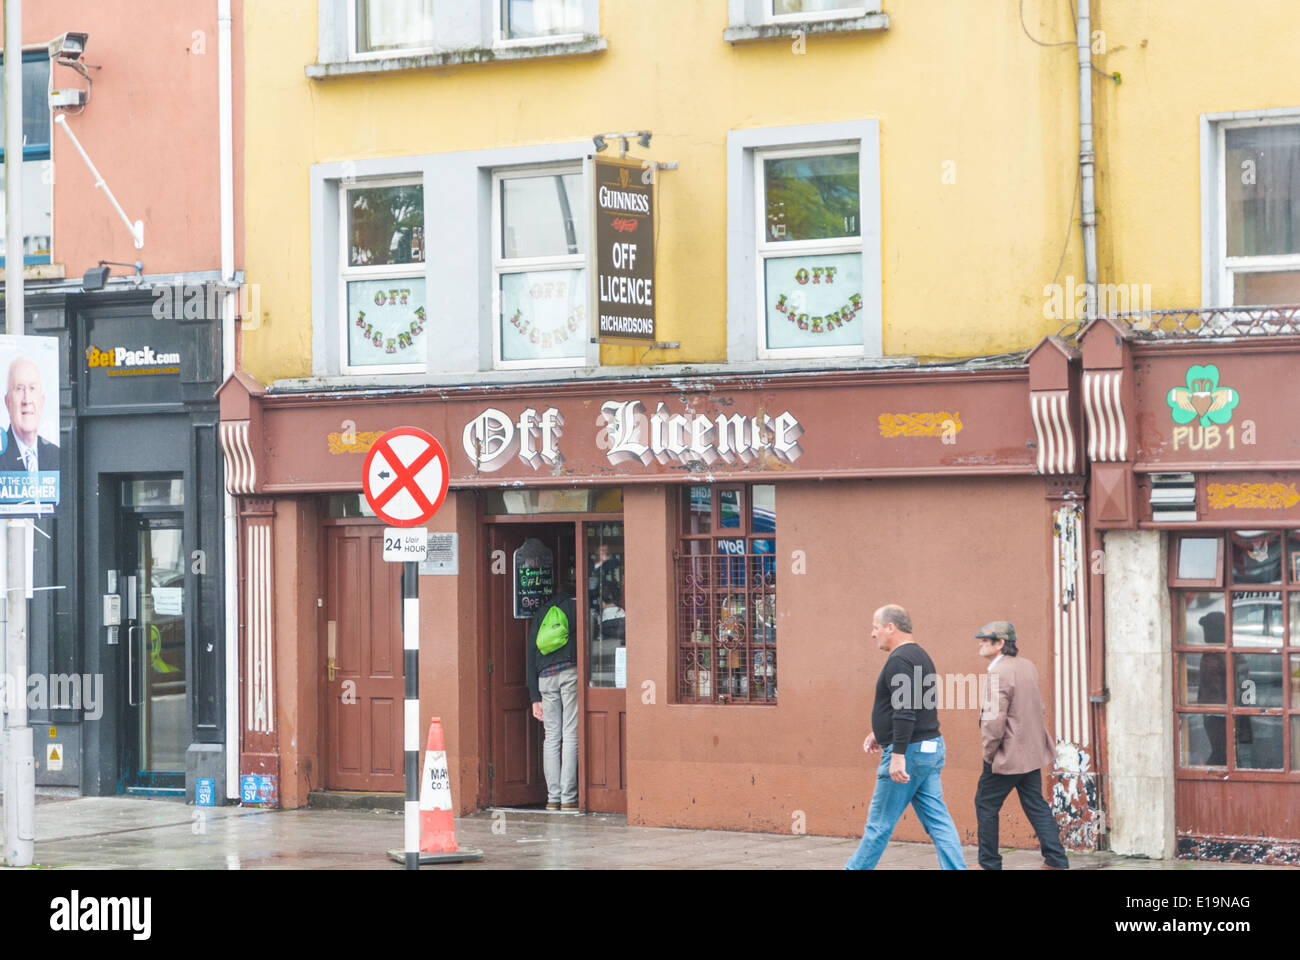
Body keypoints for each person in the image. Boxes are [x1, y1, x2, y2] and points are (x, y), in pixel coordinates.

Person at [845, 604, 967, 870]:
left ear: (891, 627)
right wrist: (881, 732)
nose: (872, 634)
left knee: (879, 824)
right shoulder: (921, 656)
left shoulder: (900, 660)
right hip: (929, 747)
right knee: (938, 822)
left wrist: (898, 754)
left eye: (875, 627)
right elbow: (913, 706)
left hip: (909, 752)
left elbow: (906, 709)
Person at [974, 621, 1069, 870]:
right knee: (1035, 804)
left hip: (1006, 755)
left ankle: (989, 864)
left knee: (985, 804)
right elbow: (1039, 708)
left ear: (1001, 643)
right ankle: (1057, 860)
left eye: (986, 639)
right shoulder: (1027, 666)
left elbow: (994, 721)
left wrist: (989, 753)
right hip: (1031, 753)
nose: (981, 643)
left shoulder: (998, 672)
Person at [526, 581, 579, 811]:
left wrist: (533, 696)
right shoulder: (576, 608)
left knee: (551, 737)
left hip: (544, 678)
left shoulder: (541, 612)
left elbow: (530, 653)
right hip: (569, 674)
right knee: (570, 733)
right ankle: (569, 798)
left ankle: (552, 798)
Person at [0, 354, 57, 472]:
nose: (27, 400)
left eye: (32, 388)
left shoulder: (56, 455)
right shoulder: (1, 454)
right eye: (19, 388)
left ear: (42, 401)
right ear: (7, 401)